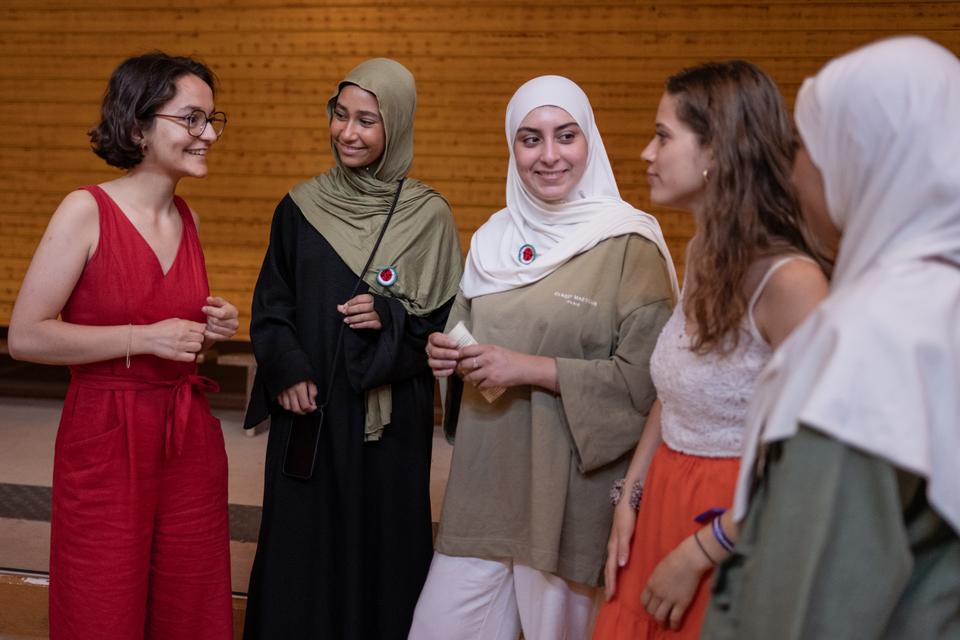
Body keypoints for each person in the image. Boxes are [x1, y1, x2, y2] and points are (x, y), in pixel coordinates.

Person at [701, 36, 960, 640]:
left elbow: (804, 608)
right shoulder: (939, 306)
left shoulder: (872, 341)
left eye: (806, 149)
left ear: (862, 157)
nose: (794, 174)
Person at [408, 75, 678, 640]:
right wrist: (450, 359)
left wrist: (529, 368)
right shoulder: (492, 241)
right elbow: (466, 334)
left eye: (566, 136)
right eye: (530, 139)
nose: (549, 155)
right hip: (485, 486)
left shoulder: (630, 245)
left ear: (590, 142)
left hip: (568, 497)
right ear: (513, 147)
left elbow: (648, 385)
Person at [592, 61, 829, 640]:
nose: (647, 153)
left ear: (717, 150)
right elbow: (672, 389)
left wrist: (702, 550)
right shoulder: (704, 252)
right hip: (667, 498)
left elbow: (815, 466)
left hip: (732, 520)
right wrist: (632, 494)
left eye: (663, 135)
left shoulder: (791, 283)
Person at [7, 52, 237, 639]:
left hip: (187, 442)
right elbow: (26, 336)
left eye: (212, 120)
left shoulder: (189, 220)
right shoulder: (86, 210)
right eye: (192, 119)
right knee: (100, 599)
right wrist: (146, 337)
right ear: (138, 126)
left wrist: (208, 330)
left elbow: (171, 341)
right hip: (106, 437)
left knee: (187, 601)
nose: (207, 134)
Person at [241, 58, 463, 640]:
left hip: (388, 427)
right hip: (308, 413)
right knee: (302, 548)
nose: (348, 132)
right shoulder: (298, 207)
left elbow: (443, 329)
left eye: (368, 121)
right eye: (341, 115)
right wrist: (286, 369)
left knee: (381, 548)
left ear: (397, 127)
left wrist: (388, 318)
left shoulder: (430, 217)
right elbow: (271, 306)